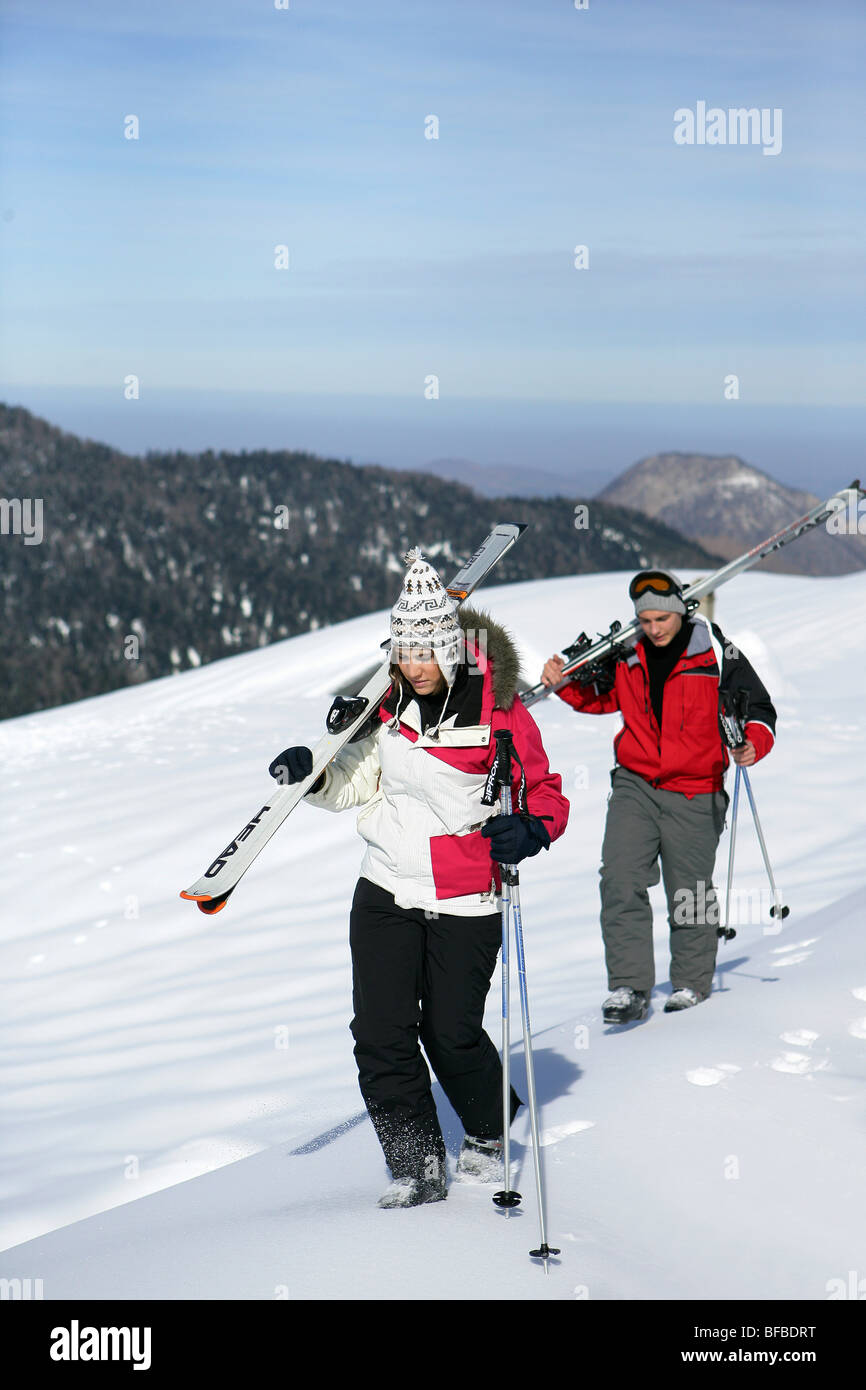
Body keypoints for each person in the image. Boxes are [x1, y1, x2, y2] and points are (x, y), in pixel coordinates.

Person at [270, 549, 569, 1207]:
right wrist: (314, 776)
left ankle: (488, 1130)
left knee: (450, 1034)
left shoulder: (499, 710)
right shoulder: (388, 706)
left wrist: (532, 829)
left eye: (426, 652)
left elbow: (546, 791)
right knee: (380, 1035)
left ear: (451, 647)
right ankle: (417, 1165)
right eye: (403, 653)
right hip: (385, 886)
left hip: (466, 895)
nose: (415, 666)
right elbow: (358, 783)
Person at [540, 569, 776, 1024]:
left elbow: (760, 708)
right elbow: (600, 697)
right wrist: (563, 682)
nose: (653, 628)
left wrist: (753, 744)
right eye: (645, 620)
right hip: (637, 782)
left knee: (689, 891)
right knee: (620, 878)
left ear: (679, 612)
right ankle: (628, 987)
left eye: (661, 619)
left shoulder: (715, 651)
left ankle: (691, 982)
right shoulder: (628, 651)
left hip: (696, 789)